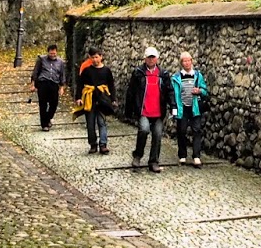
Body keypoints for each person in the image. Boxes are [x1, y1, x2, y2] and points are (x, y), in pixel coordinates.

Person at [124, 45, 173, 173]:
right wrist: (128, 110)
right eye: (149, 57)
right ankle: (138, 155)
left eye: (153, 57)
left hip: (158, 112)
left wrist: (173, 106)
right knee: (144, 130)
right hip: (143, 110)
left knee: (157, 135)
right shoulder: (138, 73)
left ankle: (154, 161)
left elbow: (169, 92)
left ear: (157, 59)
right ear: (145, 58)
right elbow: (131, 92)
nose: (151, 60)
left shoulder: (163, 74)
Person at [171, 52, 209, 167]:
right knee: (181, 131)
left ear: (191, 61)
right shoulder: (176, 77)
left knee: (197, 130)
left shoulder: (198, 75)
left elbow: (205, 91)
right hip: (182, 108)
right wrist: (174, 109)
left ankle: (196, 156)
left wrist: (200, 91)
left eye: (189, 60)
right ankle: (182, 155)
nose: (187, 63)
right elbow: (173, 94)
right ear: (181, 63)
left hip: (195, 107)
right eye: (184, 61)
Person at [75, 48, 114, 154]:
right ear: (90, 58)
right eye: (92, 57)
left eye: (97, 57)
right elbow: (80, 84)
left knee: (102, 122)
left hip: (102, 98)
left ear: (101, 57)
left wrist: (113, 99)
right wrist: (78, 98)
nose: (95, 59)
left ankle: (103, 144)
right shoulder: (87, 71)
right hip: (89, 98)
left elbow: (111, 85)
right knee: (90, 123)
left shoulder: (106, 70)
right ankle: (93, 144)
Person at [31, 43, 66, 130]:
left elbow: (62, 75)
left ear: (56, 52)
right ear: (48, 52)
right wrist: (33, 84)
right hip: (43, 83)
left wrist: (61, 87)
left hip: (54, 84)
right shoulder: (41, 60)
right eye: (51, 53)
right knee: (42, 104)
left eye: (54, 53)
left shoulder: (60, 62)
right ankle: (44, 125)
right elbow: (35, 72)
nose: (52, 55)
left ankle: (48, 118)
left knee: (54, 104)